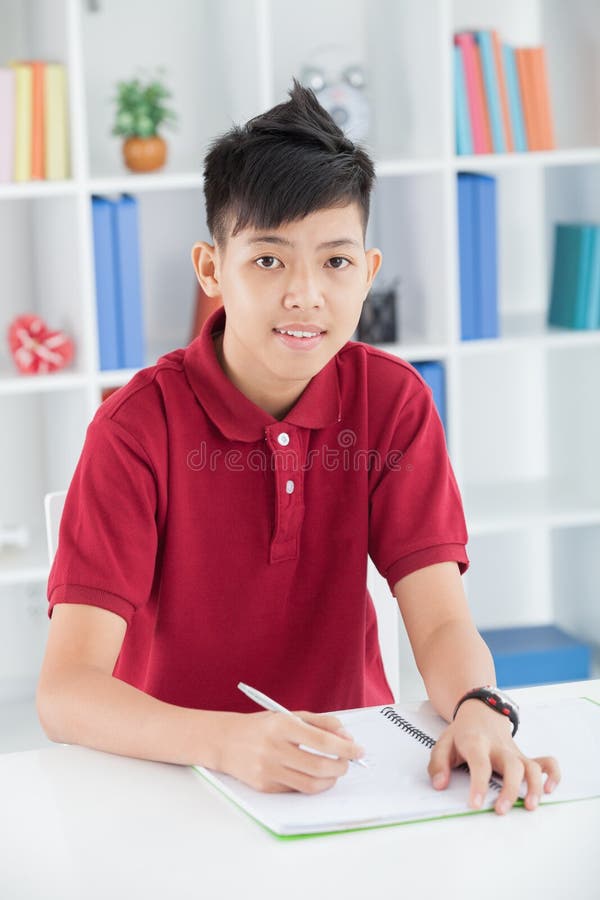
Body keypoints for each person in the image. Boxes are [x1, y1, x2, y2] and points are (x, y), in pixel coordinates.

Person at [37, 79, 559, 814]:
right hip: (179, 778)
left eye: (336, 262)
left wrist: (479, 705)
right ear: (212, 269)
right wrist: (228, 743)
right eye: (269, 260)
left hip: (356, 769)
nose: (305, 293)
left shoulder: (393, 401)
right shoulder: (134, 428)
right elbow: (66, 694)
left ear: (368, 272)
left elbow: (439, 617)